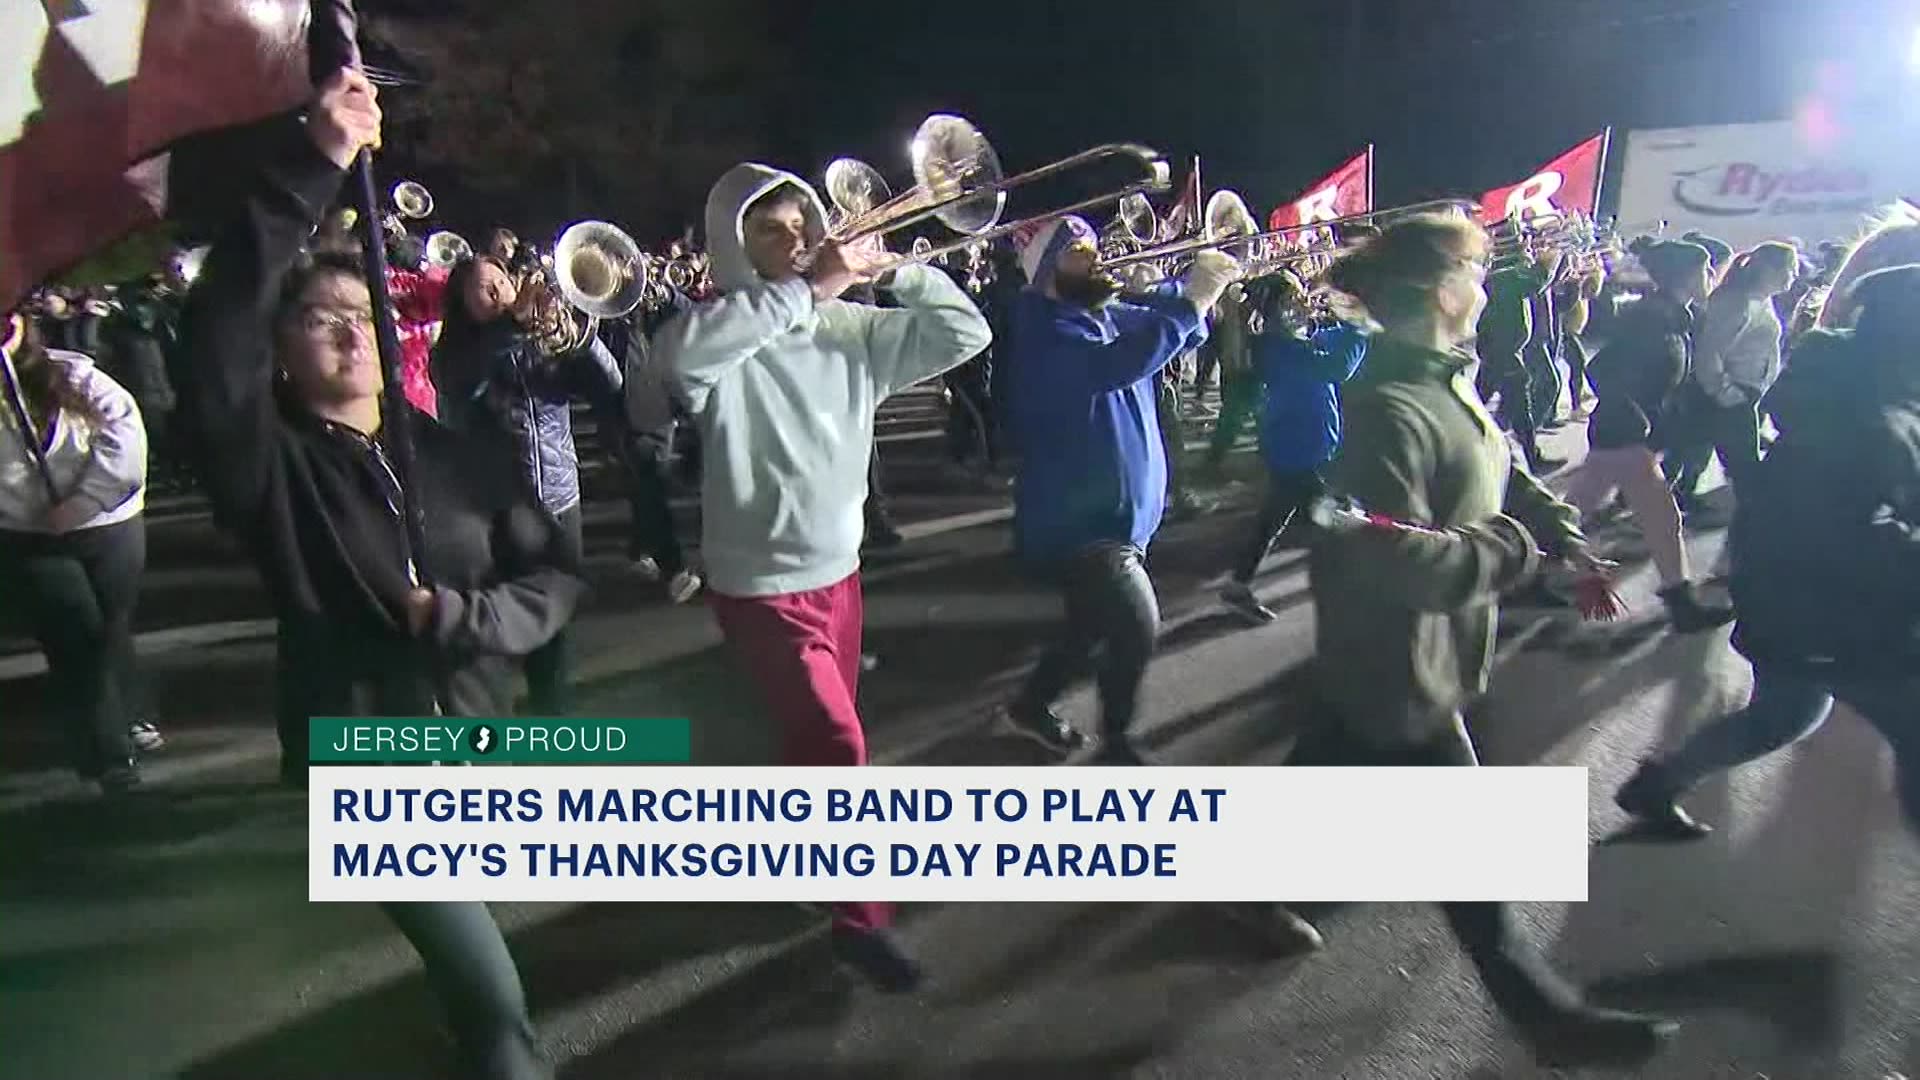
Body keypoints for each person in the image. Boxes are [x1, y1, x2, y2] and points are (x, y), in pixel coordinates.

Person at [176, 69, 575, 1080]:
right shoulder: (268, 464)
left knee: (467, 949)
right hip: (363, 753)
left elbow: (555, 575)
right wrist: (315, 165)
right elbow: (217, 327)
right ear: (278, 354)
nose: (354, 332)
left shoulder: (449, 448)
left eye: (366, 315)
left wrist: (473, 617)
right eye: (320, 319)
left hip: (477, 734)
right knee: (498, 1005)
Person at [1296, 212, 1677, 1066]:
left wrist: (1554, 523)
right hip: (1397, 655)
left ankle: (1251, 889)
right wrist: (1515, 546)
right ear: (1442, 291)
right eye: (1476, 269)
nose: (1487, 285)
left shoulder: (1443, 378)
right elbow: (1387, 555)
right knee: (1467, 841)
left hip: (1429, 647)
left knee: (1326, 767)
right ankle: (1545, 1016)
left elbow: (1496, 458)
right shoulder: (1385, 407)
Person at [655, 162, 991, 990]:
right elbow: (676, 363)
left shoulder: (853, 328)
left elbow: (965, 335)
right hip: (761, 588)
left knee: (814, 744)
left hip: (840, 575)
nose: (800, 236)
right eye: (772, 227)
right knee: (839, 743)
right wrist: (809, 292)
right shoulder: (717, 331)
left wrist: (900, 267)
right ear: (736, 245)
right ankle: (858, 918)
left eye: (803, 219)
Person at [1615, 265, 1920, 837]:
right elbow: (1848, 535)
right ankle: (1658, 782)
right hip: (1835, 615)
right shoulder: (1864, 423)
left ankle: (1658, 782)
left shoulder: (1858, 401)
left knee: (1785, 716)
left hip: (1798, 607)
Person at [997, 216, 1234, 759]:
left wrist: (1180, 289)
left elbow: (1178, 330)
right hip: (1080, 520)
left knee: (1086, 629)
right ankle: (1117, 741)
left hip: (1117, 514)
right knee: (1135, 627)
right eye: (1079, 252)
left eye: (1093, 248)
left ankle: (1028, 706)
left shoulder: (1097, 311)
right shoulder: (1044, 328)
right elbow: (1118, 363)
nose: (1097, 258)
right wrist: (1191, 299)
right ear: (1046, 268)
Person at [432, 253, 628, 716]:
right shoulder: (458, 350)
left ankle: (552, 710)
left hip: (559, 497)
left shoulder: (537, 343)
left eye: (502, 280)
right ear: (461, 301)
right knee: (496, 617)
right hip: (492, 506)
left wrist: (580, 337)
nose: (499, 291)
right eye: (484, 287)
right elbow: (461, 384)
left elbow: (610, 385)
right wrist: (512, 329)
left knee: (555, 616)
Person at [0, 313, 157, 791]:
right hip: (27, 535)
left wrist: (86, 499)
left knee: (110, 625)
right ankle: (105, 755)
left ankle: (130, 713)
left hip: (108, 525)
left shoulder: (76, 376)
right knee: (74, 634)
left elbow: (125, 435)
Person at [1562, 241, 1733, 631]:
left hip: (1629, 432)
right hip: (1624, 433)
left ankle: (1524, 565)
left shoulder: (1675, 316)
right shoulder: (1651, 318)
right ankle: (1681, 602)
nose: (1712, 277)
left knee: (1578, 507)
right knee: (1661, 516)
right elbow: (1603, 370)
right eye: (1707, 270)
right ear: (1688, 275)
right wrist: (1635, 419)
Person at [1219, 270, 1367, 624]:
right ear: (1271, 310)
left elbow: (1324, 341)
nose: (1302, 303)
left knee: (1273, 518)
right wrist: (1360, 326)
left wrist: (1340, 317)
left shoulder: (1286, 340)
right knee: (1344, 522)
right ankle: (1361, 600)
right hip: (1301, 450)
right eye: (1292, 299)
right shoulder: (1275, 347)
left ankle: (1237, 585)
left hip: (1299, 446)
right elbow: (1337, 367)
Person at [1666, 242, 1796, 502]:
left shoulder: (1760, 300)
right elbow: (1710, 351)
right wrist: (1725, 392)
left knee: (1690, 451)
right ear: (1769, 269)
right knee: (1743, 468)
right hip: (1729, 394)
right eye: (1790, 269)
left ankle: (1665, 501)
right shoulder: (1737, 302)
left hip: (1742, 392)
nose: (1794, 277)